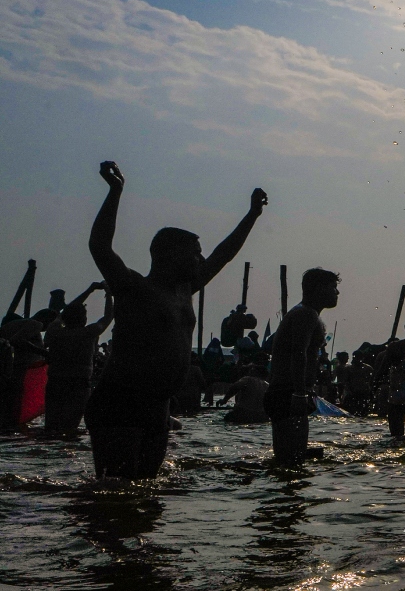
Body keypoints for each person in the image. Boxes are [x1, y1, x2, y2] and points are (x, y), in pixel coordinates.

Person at [84, 161, 266, 479]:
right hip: (120, 401)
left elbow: (224, 253)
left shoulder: (185, 291)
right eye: (195, 253)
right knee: (114, 496)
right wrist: (115, 192)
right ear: (170, 256)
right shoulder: (135, 288)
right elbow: (100, 246)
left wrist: (251, 215)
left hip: (158, 406)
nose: (201, 258)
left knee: (145, 499)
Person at [263, 268, 339, 466]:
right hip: (288, 393)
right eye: (333, 288)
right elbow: (299, 353)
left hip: (286, 391)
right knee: (291, 462)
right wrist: (298, 394)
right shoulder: (306, 314)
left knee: (290, 459)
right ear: (319, 289)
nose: (336, 293)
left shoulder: (305, 313)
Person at [42, 282, 112, 435]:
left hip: (55, 383)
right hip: (78, 385)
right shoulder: (88, 333)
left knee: (51, 428)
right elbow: (108, 316)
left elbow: (64, 312)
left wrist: (89, 290)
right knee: (70, 429)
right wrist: (109, 295)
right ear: (84, 319)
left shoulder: (55, 331)